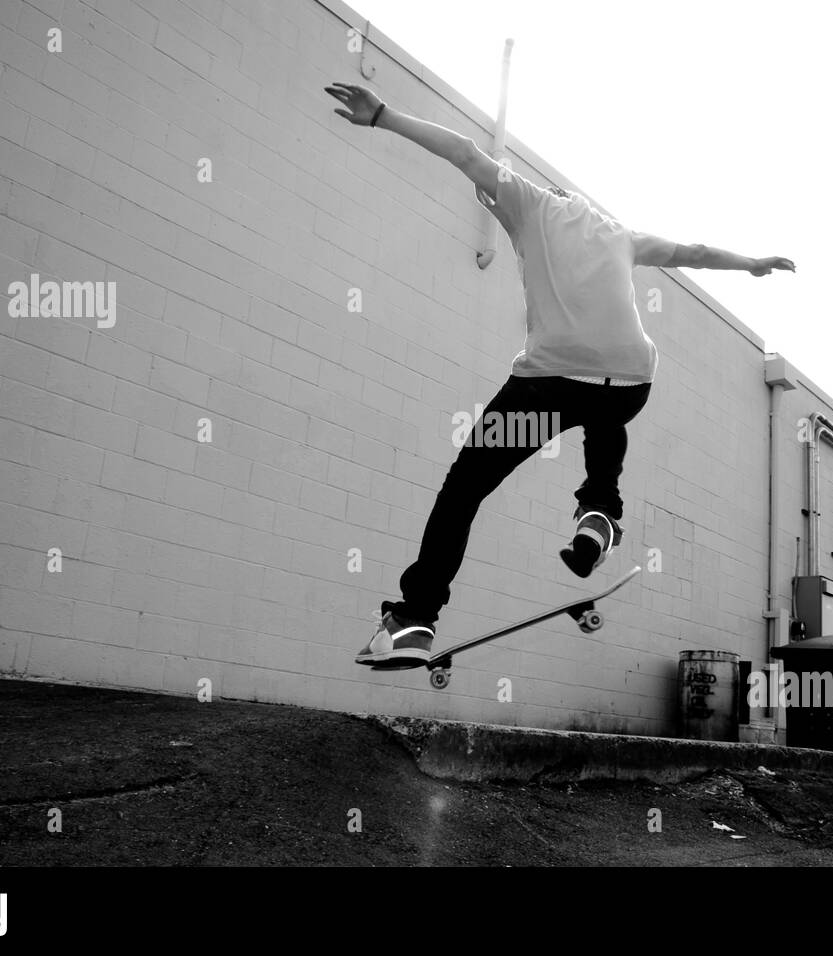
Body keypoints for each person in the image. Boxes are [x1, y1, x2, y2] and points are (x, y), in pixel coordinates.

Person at [323, 82, 795, 666]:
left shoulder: (530, 201)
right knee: (606, 415)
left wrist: (383, 116)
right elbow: (690, 251)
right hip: (630, 381)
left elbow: (466, 151)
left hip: (546, 390)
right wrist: (750, 263)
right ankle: (600, 514)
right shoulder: (619, 233)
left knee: (466, 485)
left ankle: (416, 618)